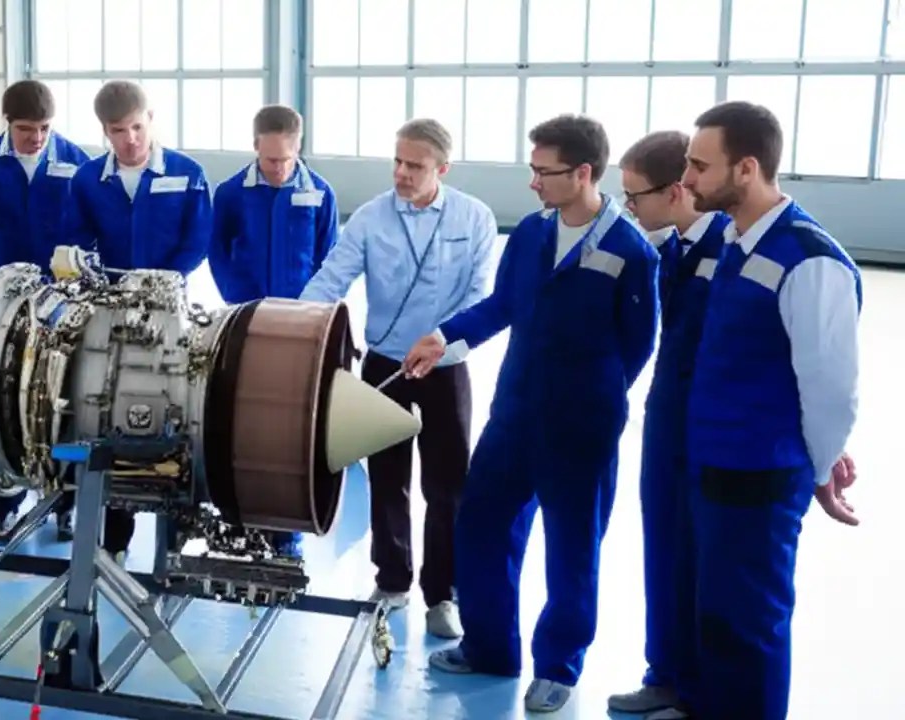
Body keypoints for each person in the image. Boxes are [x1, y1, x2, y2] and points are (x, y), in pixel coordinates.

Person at [405, 114, 661, 713]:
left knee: (572, 549)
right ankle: (491, 647)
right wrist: (444, 336)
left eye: (543, 172)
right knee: (484, 525)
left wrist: (592, 396)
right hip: (514, 414)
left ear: (583, 173)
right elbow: (501, 306)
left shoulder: (630, 251)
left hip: (582, 426)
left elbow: (638, 344)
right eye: (532, 170)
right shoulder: (529, 235)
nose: (533, 183)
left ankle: (559, 667)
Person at [675, 100, 860, 720]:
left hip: (759, 477)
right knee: (719, 618)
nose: (688, 179)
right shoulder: (734, 241)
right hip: (716, 465)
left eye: (700, 166)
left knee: (750, 626)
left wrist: (823, 463)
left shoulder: (810, 261)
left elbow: (831, 387)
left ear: (747, 168)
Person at [299, 118, 499, 640]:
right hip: (385, 364)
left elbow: (480, 294)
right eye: (398, 161)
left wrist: (442, 342)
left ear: (442, 169)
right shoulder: (369, 218)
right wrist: (290, 324)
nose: (402, 174)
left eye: (415, 165)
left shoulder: (474, 218)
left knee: (447, 485)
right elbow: (331, 278)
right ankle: (391, 581)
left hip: (445, 363)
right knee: (387, 480)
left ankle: (442, 595)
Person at [603, 130, 731, 719]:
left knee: (705, 562)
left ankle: (700, 690)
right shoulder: (672, 250)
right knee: (663, 551)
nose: (628, 208)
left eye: (635, 197)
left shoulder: (729, 252)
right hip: (666, 425)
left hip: (710, 430)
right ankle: (667, 673)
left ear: (675, 191)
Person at [66, 79, 213, 561]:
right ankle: (116, 539)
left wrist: (161, 279)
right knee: (110, 413)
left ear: (151, 119)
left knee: (174, 407)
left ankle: (172, 538)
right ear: (104, 131)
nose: (130, 139)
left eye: (136, 126)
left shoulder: (188, 174)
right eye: (117, 131)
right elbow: (76, 237)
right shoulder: (88, 180)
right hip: (110, 314)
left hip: (169, 310)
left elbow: (198, 238)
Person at [208, 103, 340, 558]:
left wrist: (311, 314)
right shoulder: (229, 194)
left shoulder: (320, 194)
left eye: (285, 159)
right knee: (241, 425)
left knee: (293, 432)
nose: (279, 169)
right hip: (245, 325)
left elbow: (328, 259)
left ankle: (286, 533)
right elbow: (218, 252)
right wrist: (237, 302)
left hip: (299, 334)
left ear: (298, 147)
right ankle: (243, 521)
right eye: (269, 160)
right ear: (255, 148)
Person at [0, 79, 88, 542]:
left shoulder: (77, 161)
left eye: (44, 128)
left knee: (65, 402)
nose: (36, 137)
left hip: (63, 301)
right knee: (3, 402)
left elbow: (85, 227)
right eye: (27, 128)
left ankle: (66, 504)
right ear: (7, 123)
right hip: (6, 303)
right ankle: (3, 503)